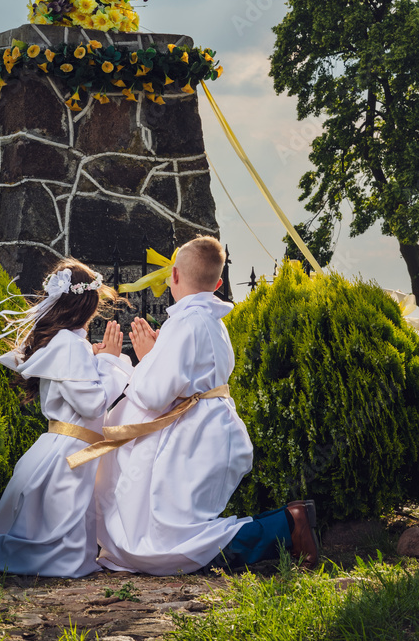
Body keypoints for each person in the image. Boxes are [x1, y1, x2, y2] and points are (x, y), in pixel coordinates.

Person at [91, 236, 319, 575]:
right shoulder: (213, 321)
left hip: (195, 437)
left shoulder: (184, 323)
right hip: (212, 426)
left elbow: (155, 394)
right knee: (175, 536)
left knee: (171, 544)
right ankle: (288, 523)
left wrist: (145, 359)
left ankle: (288, 526)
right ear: (218, 283)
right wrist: (157, 357)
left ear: (175, 276)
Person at [0, 258, 132, 577]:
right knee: (66, 557)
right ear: (88, 303)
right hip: (68, 456)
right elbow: (91, 404)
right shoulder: (70, 345)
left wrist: (99, 358)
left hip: (67, 450)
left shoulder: (69, 342)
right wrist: (109, 362)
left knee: (68, 549)